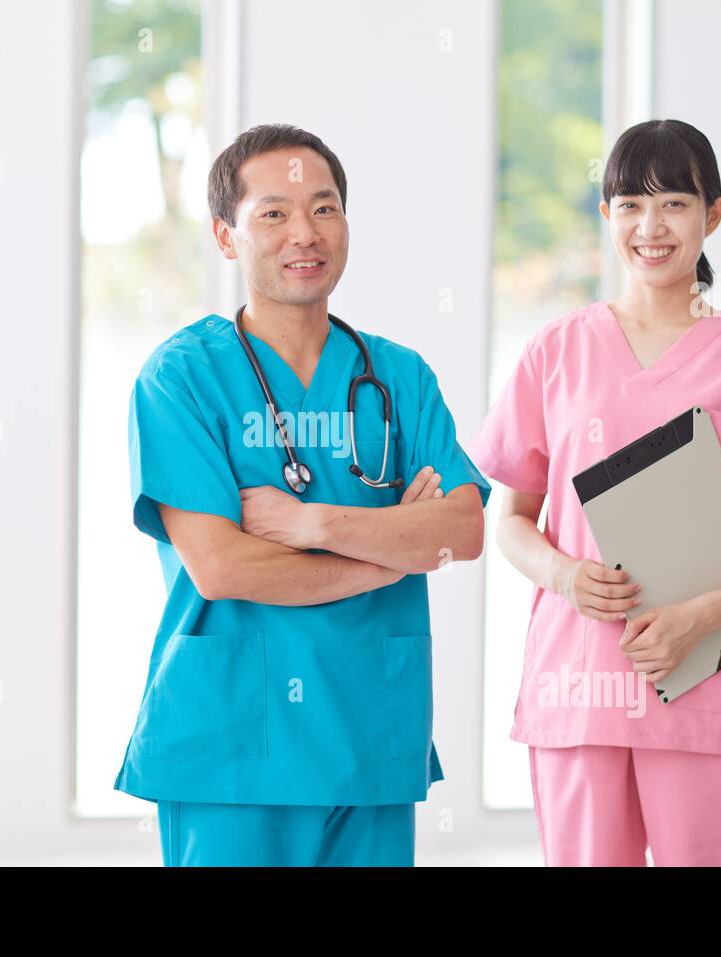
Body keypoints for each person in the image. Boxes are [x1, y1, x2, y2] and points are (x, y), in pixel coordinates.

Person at [471, 119, 721, 867]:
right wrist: (563, 574)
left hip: (709, 688)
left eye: (675, 204)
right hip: (581, 689)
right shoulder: (554, 353)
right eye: (629, 204)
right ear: (606, 216)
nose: (650, 227)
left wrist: (700, 616)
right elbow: (512, 518)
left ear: (713, 215)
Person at [115, 123, 491, 866]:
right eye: (273, 213)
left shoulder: (398, 377)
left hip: (367, 733)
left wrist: (311, 520)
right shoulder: (181, 379)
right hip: (232, 741)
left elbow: (463, 530)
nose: (304, 233)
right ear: (227, 236)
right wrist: (388, 554)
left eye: (324, 208)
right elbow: (224, 568)